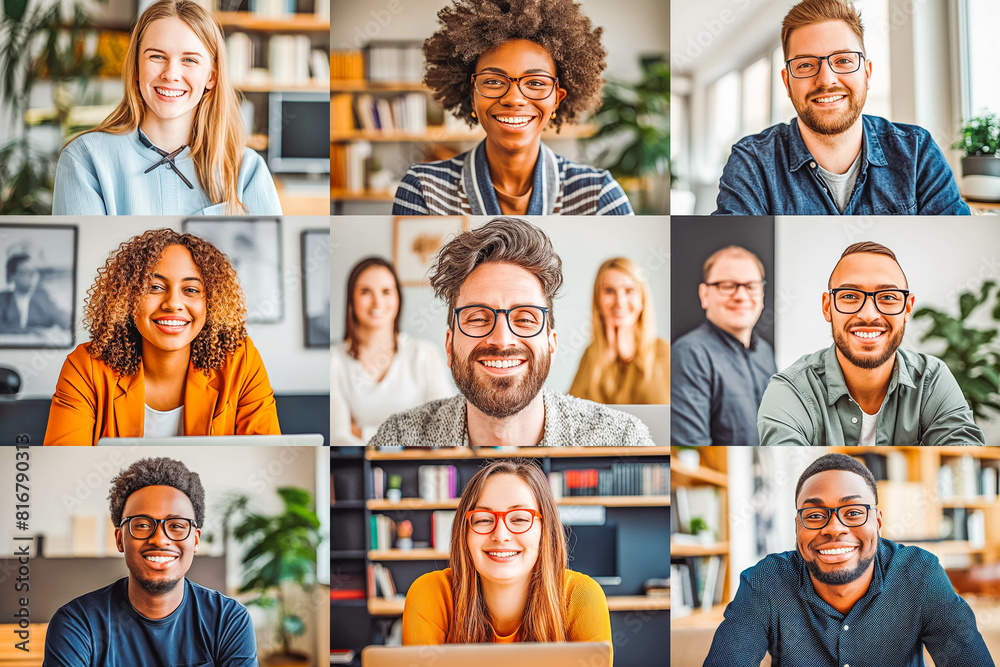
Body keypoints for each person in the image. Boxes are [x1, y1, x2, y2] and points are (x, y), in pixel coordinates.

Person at [369, 217, 655, 447]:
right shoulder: (396, 437)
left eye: (526, 319)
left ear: (551, 344)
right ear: (449, 343)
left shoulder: (624, 438)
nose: (502, 340)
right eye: (479, 318)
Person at [703, 453, 993, 666]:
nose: (834, 528)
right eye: (815, 515)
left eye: (853, 512)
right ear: (797, 527)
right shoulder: (765, 583)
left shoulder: (920, 576)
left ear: (878, 523)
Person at [713, 0, 968, 216]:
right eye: (805, 65)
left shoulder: (916, 152)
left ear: (867, 74)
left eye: (844, 60)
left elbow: (958, 245)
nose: (826, 80)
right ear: (786, 82)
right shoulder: (752, 162)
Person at [392, 0, 633, 216]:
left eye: (536, 83)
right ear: (472, 96)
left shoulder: (599, 197)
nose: (514, 98)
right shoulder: (424, 189)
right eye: (494, 81)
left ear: (557, 100)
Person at [44, 229, 280, 445]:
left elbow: (265, 455)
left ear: (212, 303)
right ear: (127, 298)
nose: (173, 304)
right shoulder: (85, 366)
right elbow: (65, 463)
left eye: (191, 290)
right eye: (154, 287)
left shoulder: (241, 360)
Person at [52, 0, 281, 215]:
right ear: (135, 68)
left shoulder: (246, 170)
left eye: (189, 60)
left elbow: (267, 257)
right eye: (157, 56)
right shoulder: (84, 160)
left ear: (212, 76)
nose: (171, 74)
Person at [758, 241, 984, 445]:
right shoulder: (791, 391)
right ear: (828, 307)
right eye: (849, 296)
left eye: (887, 297)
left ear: (907, 308)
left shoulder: (931, 378)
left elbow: (964, 450)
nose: (868, 315)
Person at [43, 457, 258, 666]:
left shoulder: (228, 620)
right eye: (143, 525)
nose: (160, 539)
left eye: (176, 525)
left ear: (195, 540)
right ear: (120, 539)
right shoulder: (77, 623)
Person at [403, 459, 613, 660]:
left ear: (545, 531)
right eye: (484, 519)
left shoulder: (582, 596)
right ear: (464, 532)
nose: (501, 535)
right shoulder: (430, 593)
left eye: (520, 518)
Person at [331, 257, 453, 444]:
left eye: (386, 291)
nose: (377, 302)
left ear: (397, 297)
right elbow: (338, 437)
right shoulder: (335, 360)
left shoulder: (425, 354)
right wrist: (415, 431)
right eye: (365, 292)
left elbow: (444, 429)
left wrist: (361, 432)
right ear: (351, 299)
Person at [671, 246, 776, 445]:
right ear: (704, 295)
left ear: (762, 293)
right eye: (727, 285)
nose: (741, 296)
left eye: (751, 286)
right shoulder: (689, 354)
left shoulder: (765, 352)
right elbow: (689, 444)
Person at [568, 257, 669, 404]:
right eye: (609, 291)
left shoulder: (664, 353)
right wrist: (604, 362)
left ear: (642, 300)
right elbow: (570, 410)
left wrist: (630, 356)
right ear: (598, 300)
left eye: (629, 290)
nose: (619, 302)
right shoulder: (591, 354)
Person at [0, 253, 69, 333]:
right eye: (26, 272)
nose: (33, 275)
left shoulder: (43, 297)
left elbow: (63, 320)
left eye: (34, 271)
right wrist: (31, 332)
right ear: (12, 275)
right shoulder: (2, 299)